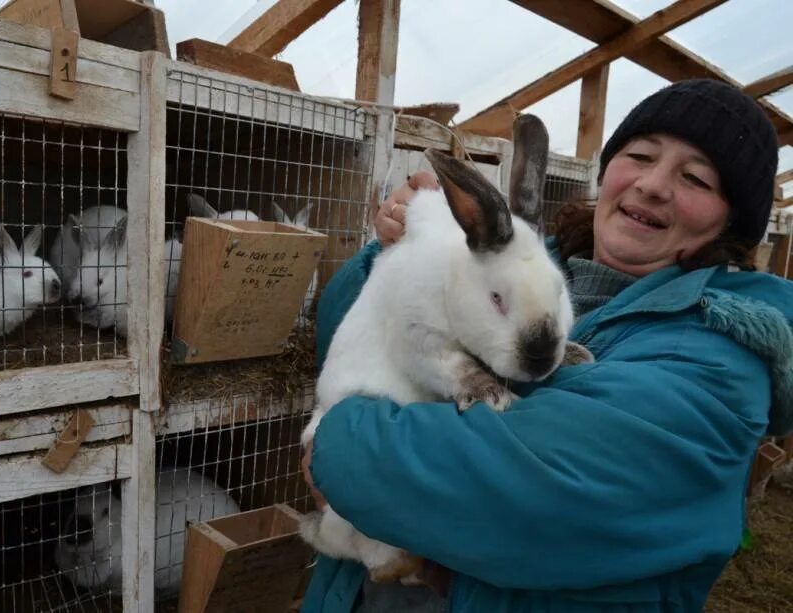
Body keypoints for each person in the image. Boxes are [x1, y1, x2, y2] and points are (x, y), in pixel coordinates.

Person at [299, 78, 793, 612]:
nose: (652, 185)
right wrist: (394, 256)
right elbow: (342, 335)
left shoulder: (718, 355)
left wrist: (332, 444)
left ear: (732, 221)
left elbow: (524, 487)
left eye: (695, 178)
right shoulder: (525, 258)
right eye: (640, 155)